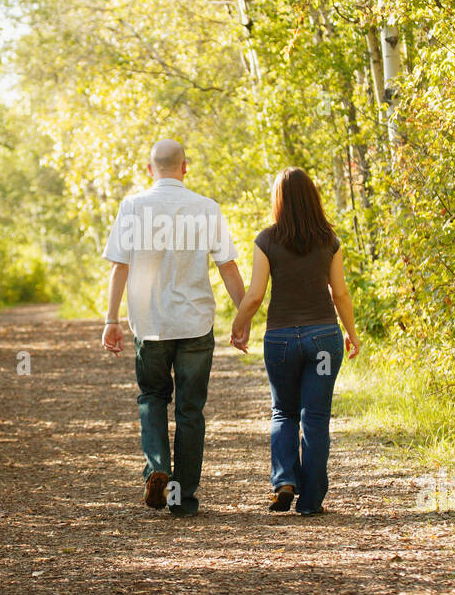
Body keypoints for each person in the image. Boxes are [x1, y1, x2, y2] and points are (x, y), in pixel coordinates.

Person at [101, 139, 244, 516]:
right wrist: (244, 316)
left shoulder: (132, 207)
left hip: (150, 325)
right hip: (195, 324)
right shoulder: (207, 208)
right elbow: (227, 267)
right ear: (186, 167)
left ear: (150, 169)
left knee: (152, 398)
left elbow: (120, 266)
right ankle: (183, 499)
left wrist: (111, 320)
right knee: (190, 410)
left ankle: (158, 466)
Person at [231, 168, 359, 515]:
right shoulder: (328, 240)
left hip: (282, 340)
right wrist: (351, 331)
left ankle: (284, 480)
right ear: (313, 199)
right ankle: (312, 501)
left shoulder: (267, 240)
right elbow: (341, 293)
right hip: (323, 338)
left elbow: (256, 295)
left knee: (284, 412)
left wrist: (238, 325)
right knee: (315, 417)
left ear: (279, 201)